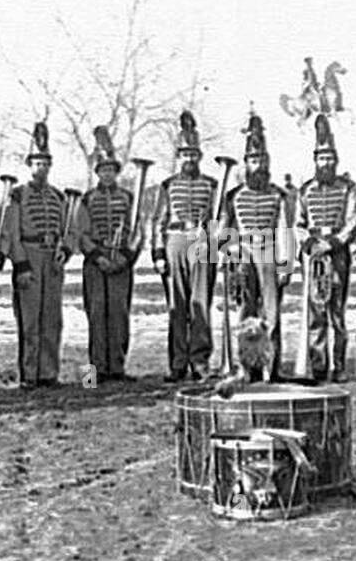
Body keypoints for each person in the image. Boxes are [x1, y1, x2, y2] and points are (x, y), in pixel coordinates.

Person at [0, 122, 70, 388]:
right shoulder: (17, 195)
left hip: (52, 258)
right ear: (29, 165)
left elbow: (68, 229)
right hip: (28, 256)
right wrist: (21, 265)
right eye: (37, 163)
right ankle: (29, 374)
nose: (41, 168)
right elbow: (11, 232)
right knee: (29, 320)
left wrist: (65, 251)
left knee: (52, 318)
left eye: (45, 163)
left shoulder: (58, 196)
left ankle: (48, 372)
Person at [220, 114, 291, 381]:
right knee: (244, 311)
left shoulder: (277, 195)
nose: (257, 165)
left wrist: (286, 264)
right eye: (253, 160)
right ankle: (243, 367)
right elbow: (226, 229)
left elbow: (285, 229)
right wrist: (231, 255)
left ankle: (271, 368)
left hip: (270, 252)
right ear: (246, 163)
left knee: (271, 314)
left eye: (261, 160)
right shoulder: (234, 196)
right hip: (244, 254)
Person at [150, 111, 218, 383]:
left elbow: (218, 218)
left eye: (193, 154)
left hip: (202, 242)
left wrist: (216, 244)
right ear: (178, 156)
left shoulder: (212, 184)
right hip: (175, 241)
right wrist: (157, 254)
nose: (189, 159)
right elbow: (157, 220)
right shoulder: (167, 186)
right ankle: (177, 362)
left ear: (199, 156)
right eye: (184, 154)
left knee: (200, 304)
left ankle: (200, 361)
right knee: (177, 306)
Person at [295, 114, 356, 382]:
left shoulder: (348, 188)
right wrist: (309, 243)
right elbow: (298, 222)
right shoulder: (306, 189)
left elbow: (353, 219)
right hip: (314, 255)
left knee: (336, 311)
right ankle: (318, 364)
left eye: (331, 158)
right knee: (316, 311)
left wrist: (333, 243)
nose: (327, 163)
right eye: (322, 158)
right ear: (315, 160)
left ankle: (340, 366)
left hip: (337, 252)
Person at [75, 126, 140, 383]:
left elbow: (137, 231)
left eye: (111, 170)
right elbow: (81, 232)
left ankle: (117, 368)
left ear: (117, 172)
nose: (107, 174)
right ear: (97, 173)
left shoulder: (128, 198)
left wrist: (125, 257)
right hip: (96, 262)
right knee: (96, 314)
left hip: (121, 263)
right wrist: (97, 256)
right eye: (103, 170)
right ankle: (94, 371)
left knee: (119, 314)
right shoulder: (87, 198)